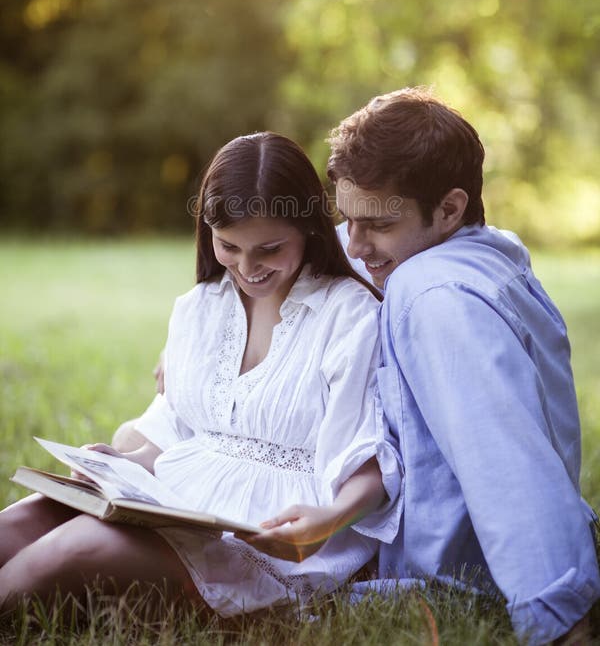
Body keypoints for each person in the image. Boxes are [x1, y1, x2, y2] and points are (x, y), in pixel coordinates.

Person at [0, 133, 400, 617]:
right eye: (229, 246)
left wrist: (329, 520)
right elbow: (176, 434)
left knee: (66, 554)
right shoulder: (200, 307)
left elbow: (367, 464)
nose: (248, 268)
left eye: (269, 249)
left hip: (269, 536)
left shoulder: (348, 313)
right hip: (177, 499)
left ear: (310, 230)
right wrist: (116, 462)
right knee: (16, 526)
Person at [326, 87, 600, 646]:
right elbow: (326, 249)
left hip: (459, 582)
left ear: (449, 208)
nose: (354, 245)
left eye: (376, 225)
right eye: (347, 220)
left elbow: (504, 457)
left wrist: (559, 614)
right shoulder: (480, 252)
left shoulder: (434, 296)